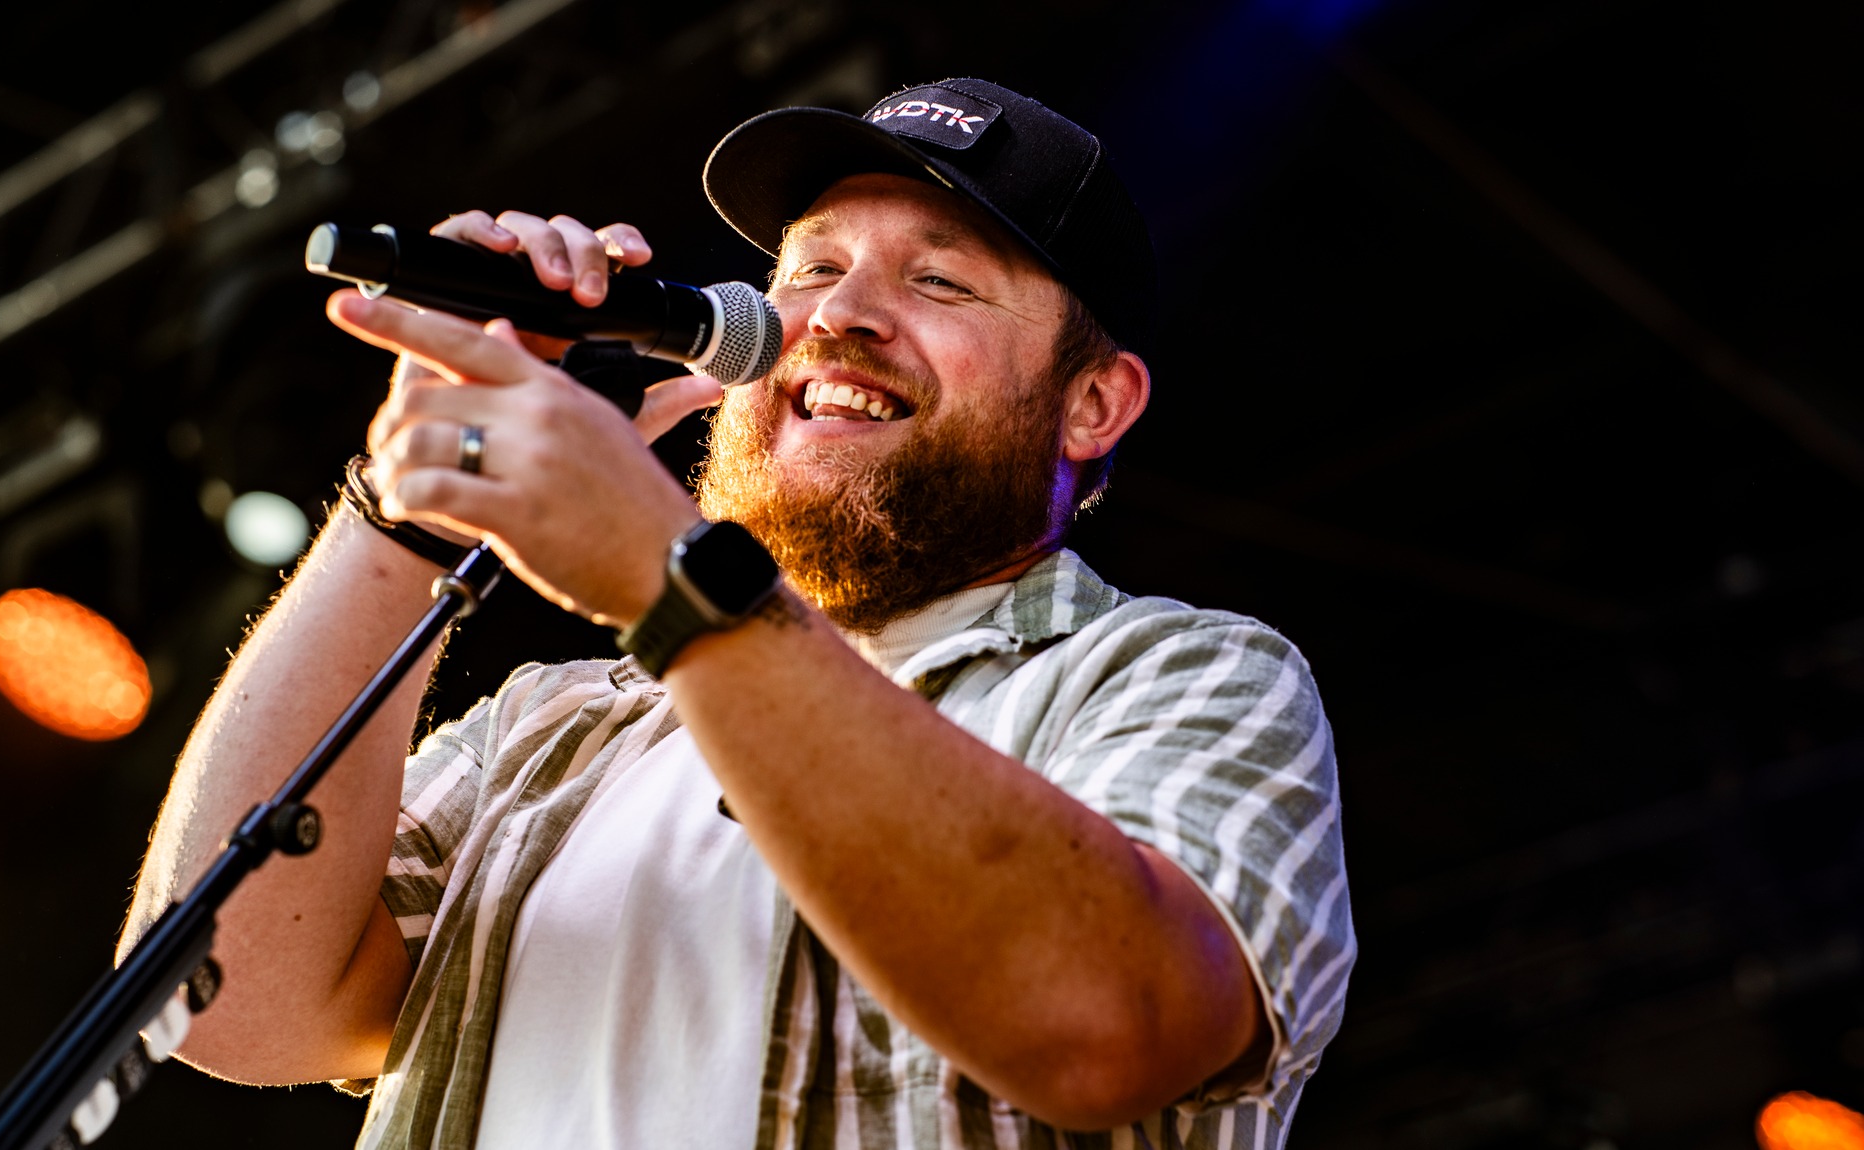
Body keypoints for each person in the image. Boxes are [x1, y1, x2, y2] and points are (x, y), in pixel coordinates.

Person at [119, 78, 1354, 1149]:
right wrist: (407, 506)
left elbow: (1101, 1027)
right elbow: (222, 1001)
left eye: (938, 281)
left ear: (1091, 404)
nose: (834, 315)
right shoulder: (557, 729)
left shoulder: (1178, 677)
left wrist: (670, 578)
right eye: (811, 268)